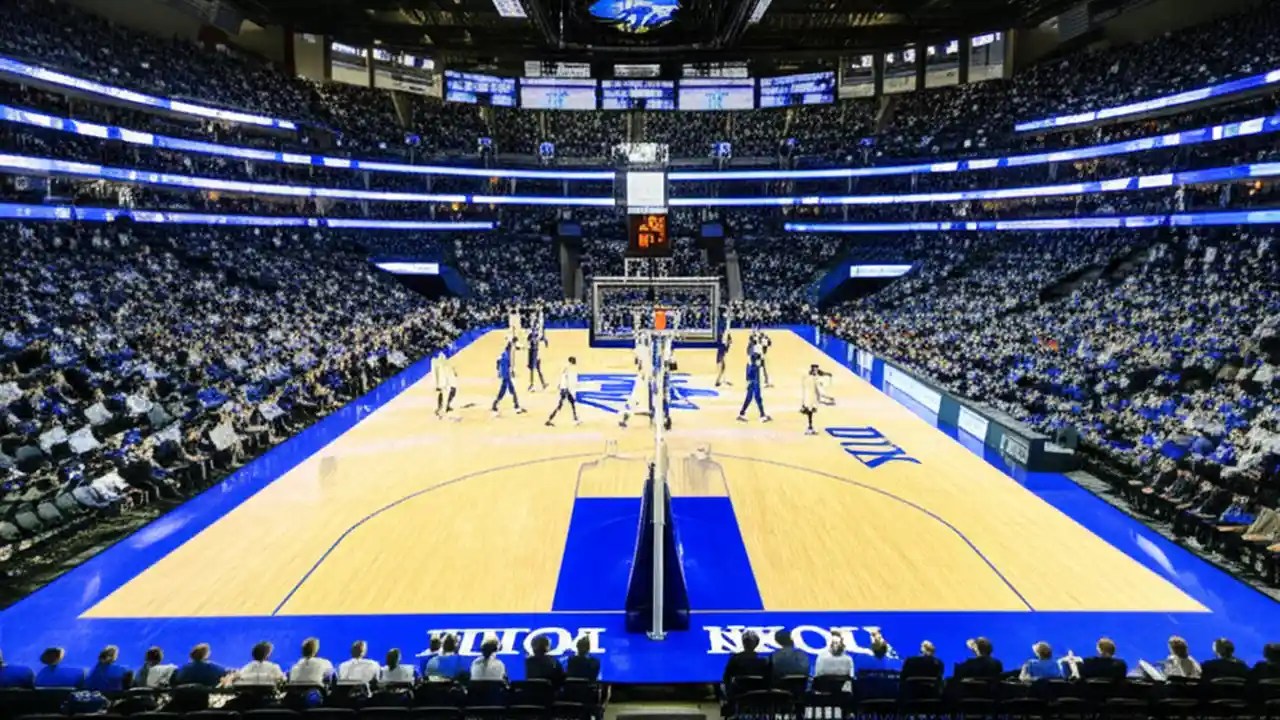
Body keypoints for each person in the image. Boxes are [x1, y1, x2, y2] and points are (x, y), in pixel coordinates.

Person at [722, 630, 770, 697]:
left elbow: (726, 678)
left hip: (739, 695)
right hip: (758, 696)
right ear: (756, 643)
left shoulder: (735, 659)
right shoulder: (764, 661)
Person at [491, 342, 526, 417]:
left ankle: (495, 405)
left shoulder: (504, 354)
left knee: (504, 392)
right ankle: (516, 407)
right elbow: (506, 365)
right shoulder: (507, 356)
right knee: (510, 391)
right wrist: (506, 373)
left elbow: (498, 361)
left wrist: (498, 371)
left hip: (505, 376)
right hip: (506, 376)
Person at [736, 353, 772, 423]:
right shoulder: (753, 367)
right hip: (754, 384)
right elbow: (750, 377)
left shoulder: (752, 365)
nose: (759, 362)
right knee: (757, 398)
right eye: (758, 360)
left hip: (752, 384)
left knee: (749, 399)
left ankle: (742, 414)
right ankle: (762, 416)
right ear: (755, 360)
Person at [546, 356, 580, 426]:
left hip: (564, 389)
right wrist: (570, 390)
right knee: (561, 405)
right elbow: (568, 381)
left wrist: (560, 386)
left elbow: (563, 379)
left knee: (572, 403)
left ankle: (575, 418)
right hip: (566, 390)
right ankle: (550, 419)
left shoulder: (566, 368)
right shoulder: (569, 369)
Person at [432, 352, 457, 420]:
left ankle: (442, 408)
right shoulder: (436, 362)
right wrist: (436, 384)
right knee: (445, 395)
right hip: (443, 382)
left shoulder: (444, 362)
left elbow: (453, 370)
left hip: (447, 381)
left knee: (448, 394)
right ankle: (442, 411)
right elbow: (435, 373)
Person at [801, 364, 823, 436]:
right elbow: (817, 389)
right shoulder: (812, 378)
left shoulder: (808, 377)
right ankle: (810, 428)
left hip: (810, 397)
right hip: (811, 398)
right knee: (810, 413)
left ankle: (810, 427)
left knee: (810, 413)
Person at [527, 327, 547, 392]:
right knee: (534, 370)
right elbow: (531, 343)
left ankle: (541, 384)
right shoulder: (532, 338)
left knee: (536, 370)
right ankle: (533, 385)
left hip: (535, 355)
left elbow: (543, 339)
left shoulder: (535, 337)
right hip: (533, 354)